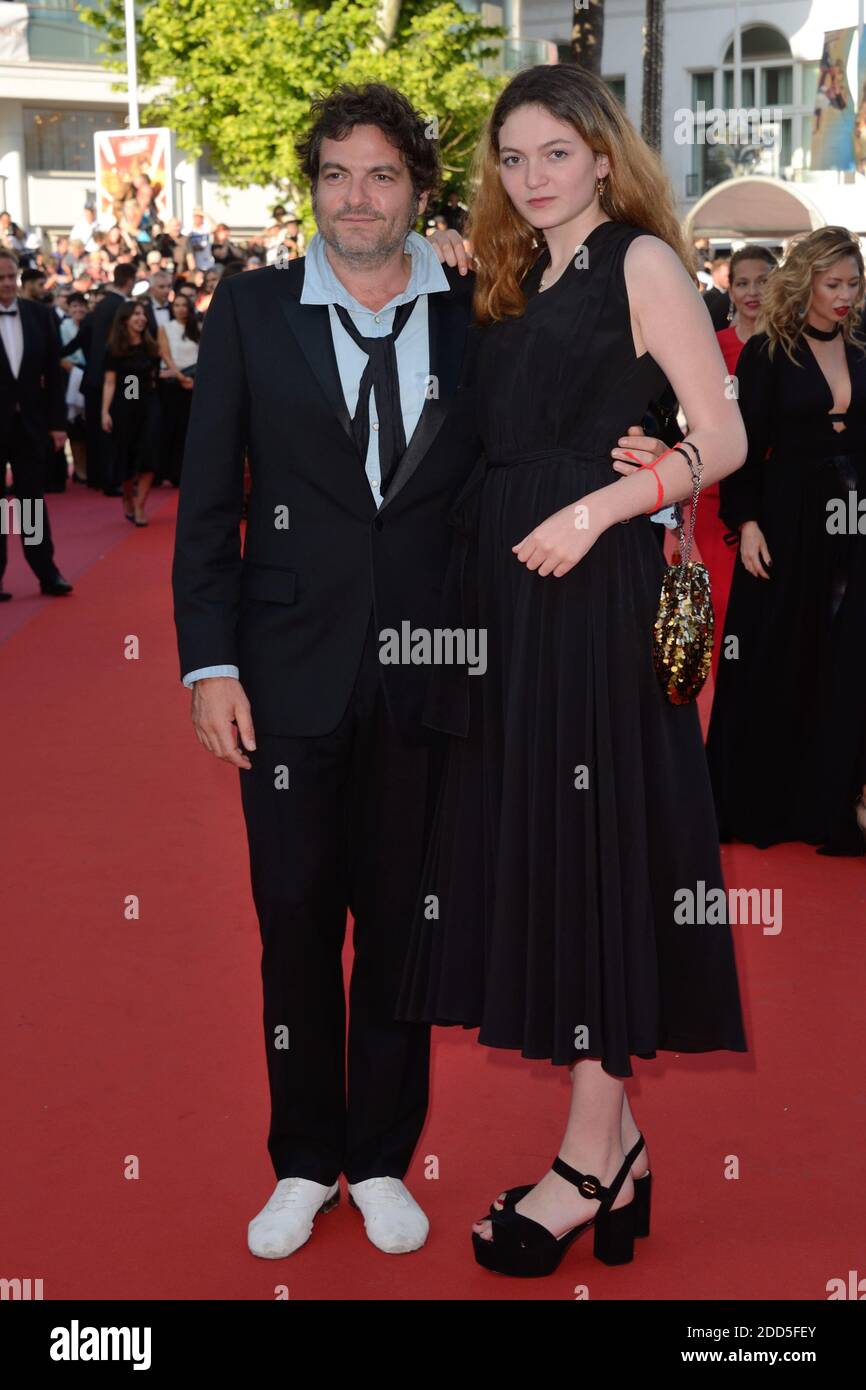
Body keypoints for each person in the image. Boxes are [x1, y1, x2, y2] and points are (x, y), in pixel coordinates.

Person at [171, 78, 681, 1266]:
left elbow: (568, 413)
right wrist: (208, 662)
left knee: (405, 928)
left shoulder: (477, 310)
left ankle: (386, 1158)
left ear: (417, 190)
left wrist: (653, 453)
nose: (358, 197)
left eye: (383, 175)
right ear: (313, 188)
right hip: (285, 671)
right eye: (336, 174)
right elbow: (206, 509)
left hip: (438, 670)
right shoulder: (247, 311)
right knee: (292, 923)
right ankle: (303, 1161)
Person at [394, 62, 748, 1278]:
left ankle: (587, 1155)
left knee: (595, 862)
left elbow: (725, 434)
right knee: (542, 856)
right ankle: (622, 1146)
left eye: (554, 152)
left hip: (590, 599)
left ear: (603, 155)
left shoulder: (642, 263)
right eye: (511, 157)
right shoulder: (507, 280)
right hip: (507, 606)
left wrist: (607, 506)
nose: (531, 177)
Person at [706, 226, 866, 856]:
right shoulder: (769, 353)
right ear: (805, 284)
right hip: (787, 518)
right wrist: (745, 522)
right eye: (834, 284)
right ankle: (756, 800)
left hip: (853, 517)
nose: (845, 295)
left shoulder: (862, 345)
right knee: (776, 651)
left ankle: (830, 799)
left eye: (853, 283)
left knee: (845, 657)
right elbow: (744, 445)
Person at [700, 244, 778, 663]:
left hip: (774, 497)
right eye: (742, 283)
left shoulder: (792, 347)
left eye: (763, 281)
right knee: (714, 612)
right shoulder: (710, 347)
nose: (753, 292)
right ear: (729, 291)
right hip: (715, 497)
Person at [0, 250, 73, 600]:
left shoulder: (39, 315)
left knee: (30, 503)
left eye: (11, 276)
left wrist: (58, 425)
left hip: (29, 426)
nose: (8, 283)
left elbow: (53, 377)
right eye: (0, 278)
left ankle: (47, 572)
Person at [61, 262, 138, 494]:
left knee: (95, 431)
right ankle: (112, 481)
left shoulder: (98, 308)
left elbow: (80, 342)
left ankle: (97, 478)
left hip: (92, 380)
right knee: (113, 429)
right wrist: (132, 390)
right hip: (115, 380)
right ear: (130, 281)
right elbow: (126, 349)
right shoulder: (123, 308)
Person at [101, 300, 161, 526]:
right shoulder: (114, 348)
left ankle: (140, 505)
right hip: (125, 406)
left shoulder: (151, 346)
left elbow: (156, 374)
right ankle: (127, 496)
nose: (141, 318)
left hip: (149, 404)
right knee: (126, 457)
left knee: (149, 454)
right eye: (136, 314)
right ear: (125, 318)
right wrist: (104, 412)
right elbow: (109, 382)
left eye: (144, 314)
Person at [160, 294, 198, 484]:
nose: (181, 308)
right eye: (177, 305)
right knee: (174, 429)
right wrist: (180, 376)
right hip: (174, 383)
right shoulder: (165, 328)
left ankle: (192, 472)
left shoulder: (198, 327)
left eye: (184, 305)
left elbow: (205, 354)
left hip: (196, 383)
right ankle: (174, 473)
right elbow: (165, 355)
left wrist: (193, 379)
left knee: (192, 429)